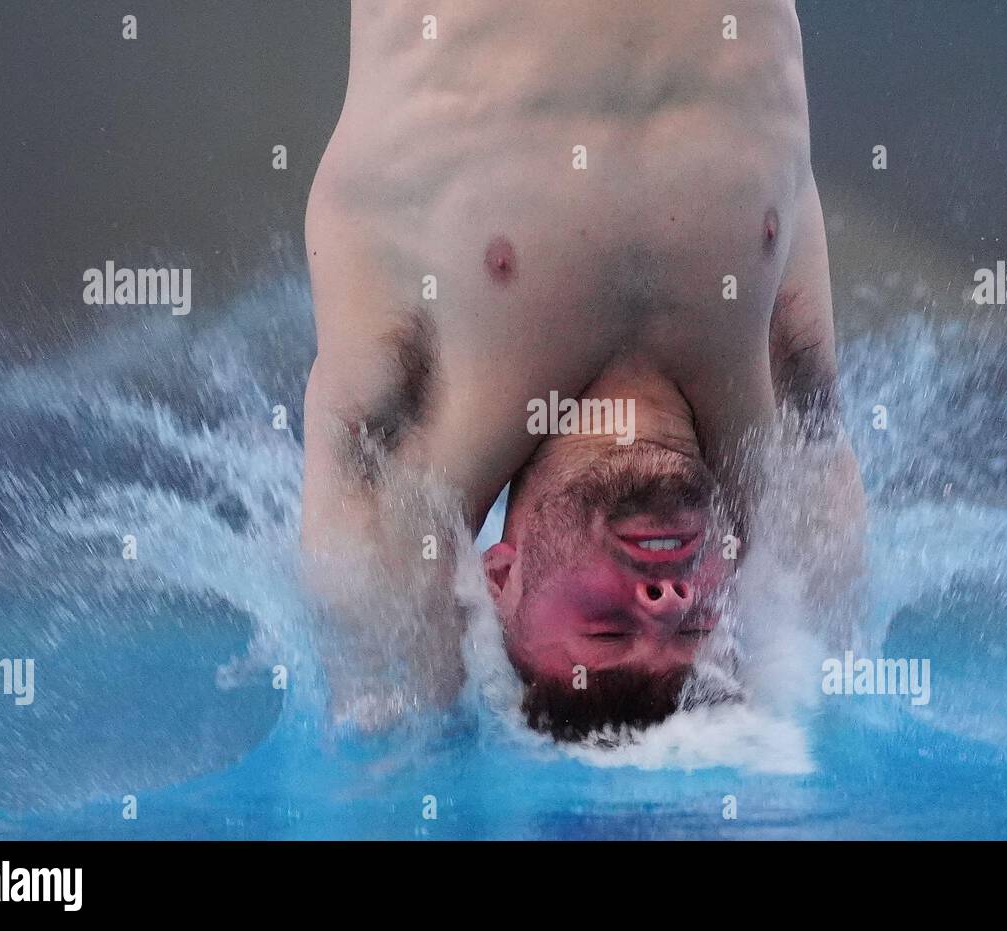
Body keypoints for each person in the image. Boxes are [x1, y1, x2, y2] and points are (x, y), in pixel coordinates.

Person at [301, 0, 864, 740]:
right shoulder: (785, 473)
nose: (662, 602)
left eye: (606, 634)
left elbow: (384, 722)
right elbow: (808, 689)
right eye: (692, 630)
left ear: (499, 580)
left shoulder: (414, 458)